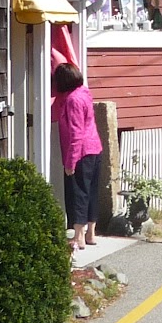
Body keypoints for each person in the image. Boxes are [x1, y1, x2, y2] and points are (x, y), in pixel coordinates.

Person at [51, 62, 103, 251]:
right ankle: (91, 233)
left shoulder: (73, 100)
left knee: (78, 193)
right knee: (91, 192)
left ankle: (78, 236)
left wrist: (70, 162)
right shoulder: (84, 92)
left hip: (81, 152)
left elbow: (76, 134)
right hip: (95, 148)